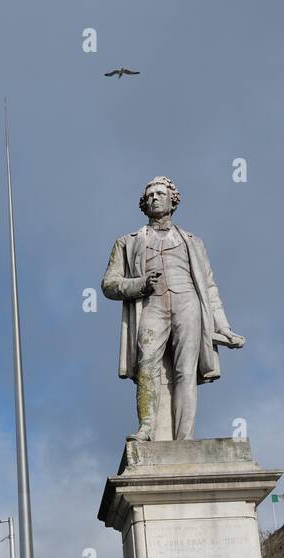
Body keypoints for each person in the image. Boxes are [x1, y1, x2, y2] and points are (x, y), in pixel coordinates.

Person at [100, 175, 246, 442]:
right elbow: (109, 284)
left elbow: (210, 288)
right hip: (151, 304)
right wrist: (140, 284)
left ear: (173, 201)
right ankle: (146, 427)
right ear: (144, 205)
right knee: (146, 364)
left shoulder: (194, 241)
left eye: (160, 193)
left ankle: (184, 438)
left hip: (188, 302)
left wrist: (224, 327)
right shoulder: (128, 241)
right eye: (150, 196)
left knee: (185, 372)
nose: (155, 198)